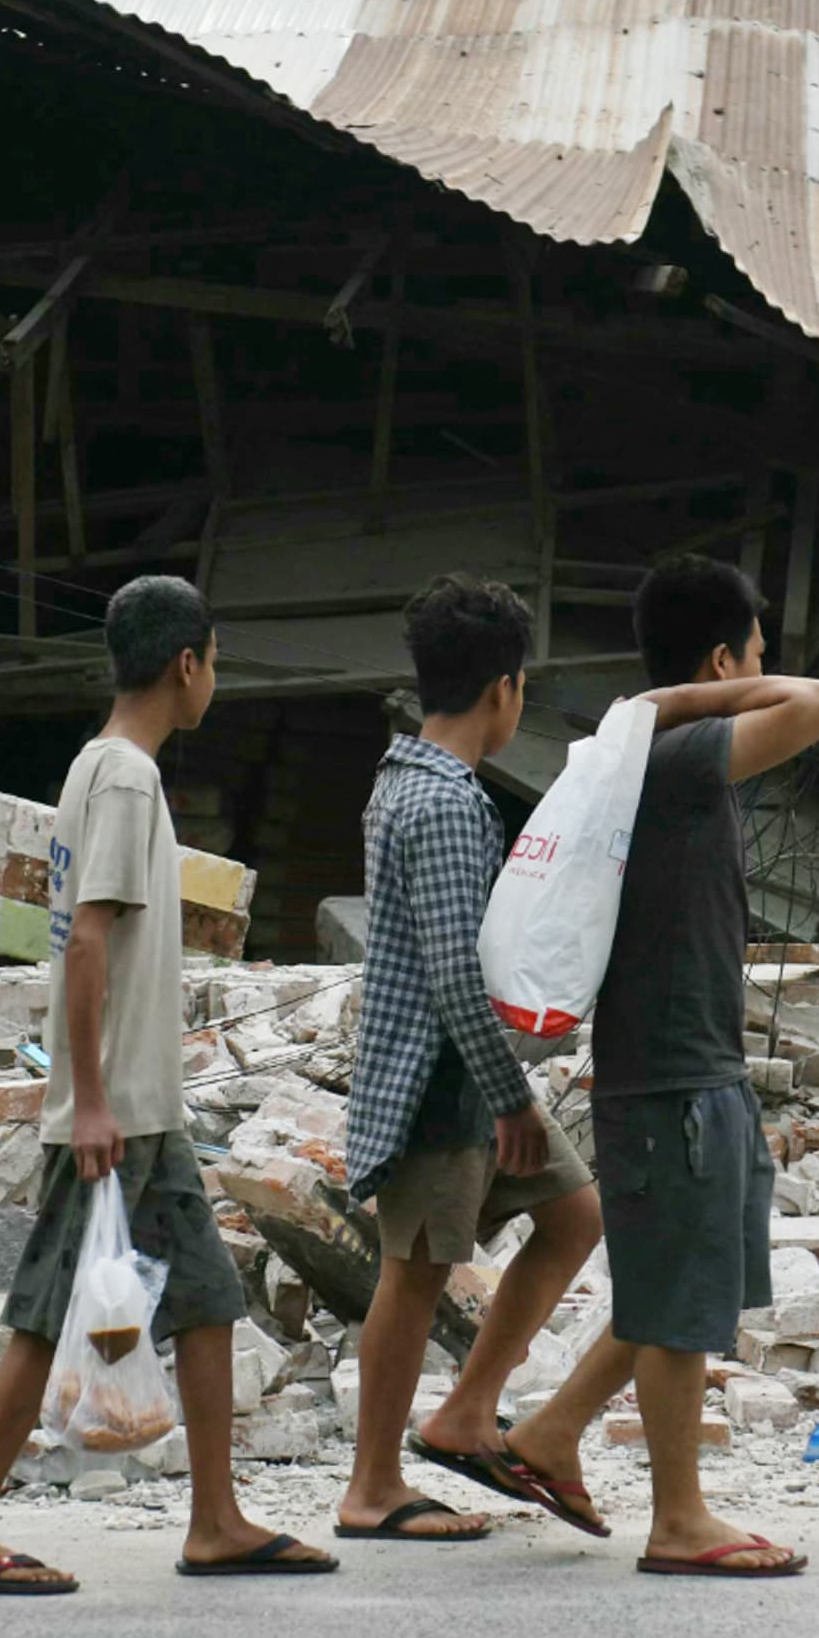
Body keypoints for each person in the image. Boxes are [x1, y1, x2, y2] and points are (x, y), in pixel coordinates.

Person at [0, 575, 335, 1593]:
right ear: (187, 663)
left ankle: (217, 1520)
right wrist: (91, 1099)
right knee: (45, 1309)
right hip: (112, 1112)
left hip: (148, 1108)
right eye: (216, 662)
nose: (214, 682)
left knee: (204, 1298)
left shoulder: (111, 771)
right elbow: (88, 942)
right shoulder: (120, 780)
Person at [491, 555, 819, 1577]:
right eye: (754, 654)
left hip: (697, 1064)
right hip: (669, 1076)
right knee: (679, 1293)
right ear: (726, 656)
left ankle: (552, 1434)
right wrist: (668, 697)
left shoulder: (662, 756)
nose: (768, 670)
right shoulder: (674, 751)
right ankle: (678, 1518)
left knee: (685, 1283)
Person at [332, 576, 611, 1545]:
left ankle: (464, 1411)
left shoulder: (405, 779)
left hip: (455, 1075)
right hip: (435, 1082)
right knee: (411, 1278)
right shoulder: (446, 804)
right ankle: (371, 1487)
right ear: (505, 690)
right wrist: (512, 1100)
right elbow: (455, 973)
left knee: (574, 1215)